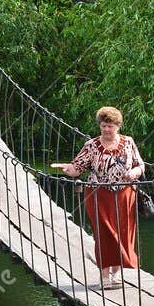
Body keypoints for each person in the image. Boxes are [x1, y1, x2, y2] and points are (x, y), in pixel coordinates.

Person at [52, 107, 146, 290]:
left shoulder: (128, 142)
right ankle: (104, 276)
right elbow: (77, 169)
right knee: (103, 235)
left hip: (125, 194)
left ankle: (117, 274)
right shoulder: (91, 145)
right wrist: (67, 168)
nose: (106, 129)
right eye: (103, 126)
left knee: (122, 233)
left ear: (117, 126)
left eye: (110, 126)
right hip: (98, 195)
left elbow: (140, 165)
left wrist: (134, 172)